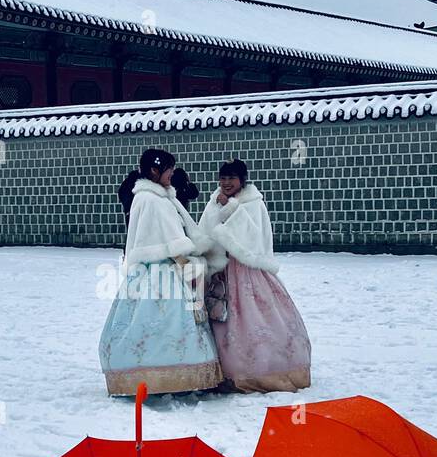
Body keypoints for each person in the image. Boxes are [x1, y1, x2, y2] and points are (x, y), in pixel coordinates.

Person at [100, 148, 222, 396]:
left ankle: (145, 372)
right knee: (168, 321)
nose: (172, 174)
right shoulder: (154, 200)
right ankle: (169, 375)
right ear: (155, 170)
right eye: (169, 169)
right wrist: (189, 265)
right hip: (163, 270)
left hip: (147, 271)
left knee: (143, 322)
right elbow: (172, 240)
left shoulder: (149, 197)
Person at [198, 158, 311, 392]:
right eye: (223, 177)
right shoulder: (214, 201)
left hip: (247, 270)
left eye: (232, 178)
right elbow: (205, 232)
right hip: (222, 271)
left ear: (242, 180)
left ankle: (259, 371)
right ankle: (220, 372)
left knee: (254, 318)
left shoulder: (252, 202)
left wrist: (230, 208)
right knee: (221, 320)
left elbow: (252, 237)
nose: (226, 183)